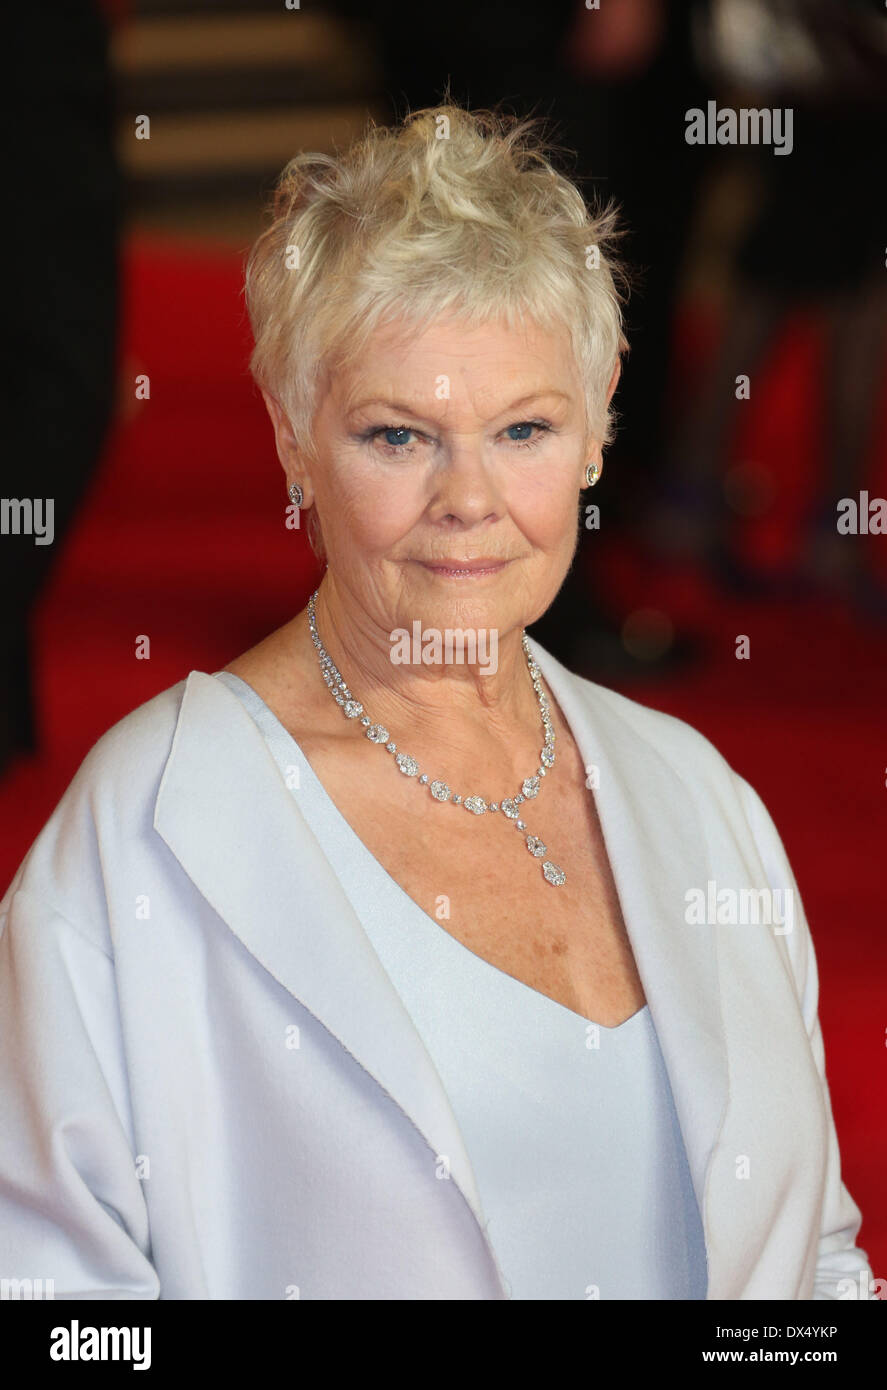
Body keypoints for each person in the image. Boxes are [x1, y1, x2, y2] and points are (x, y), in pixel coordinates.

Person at [0, 103, 874, 1301]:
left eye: (521, 427)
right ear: (290, 439)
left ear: (598, 421)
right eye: (397, 435)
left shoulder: (697, 795)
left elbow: (814, 1258)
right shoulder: (145, 830)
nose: (468, 498)